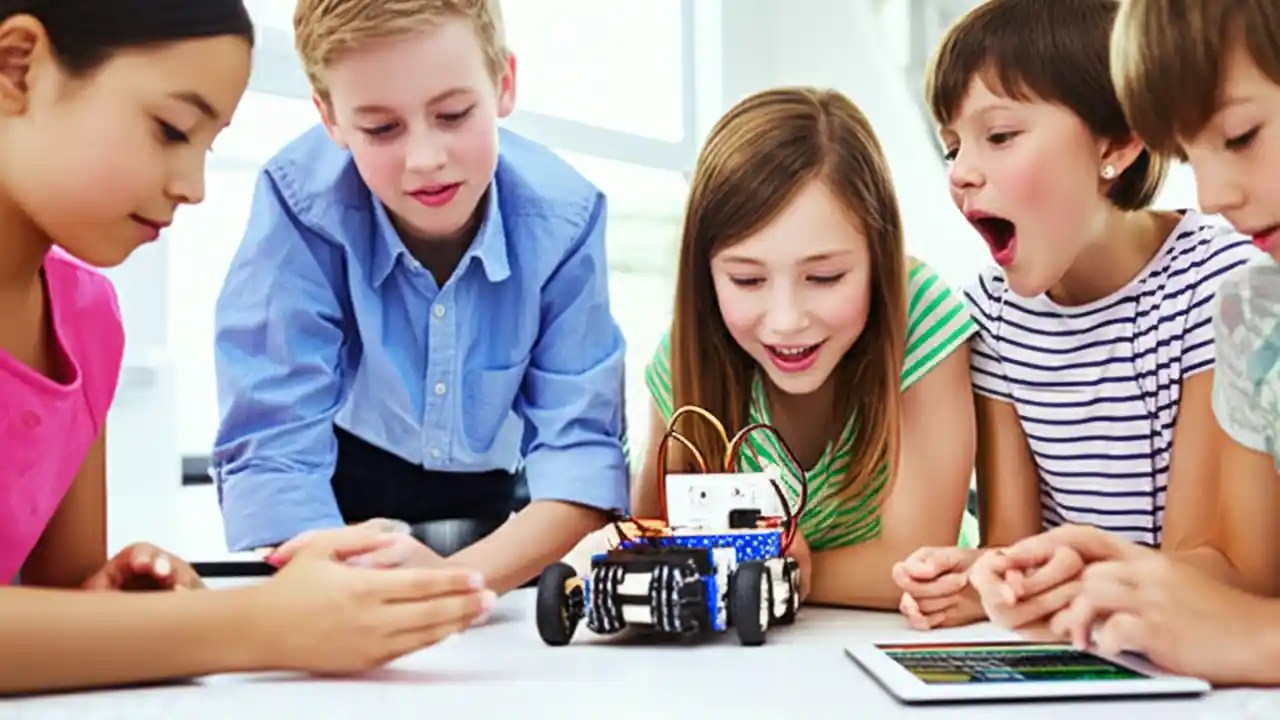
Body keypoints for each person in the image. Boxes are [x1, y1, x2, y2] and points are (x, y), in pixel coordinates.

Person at [0, 0, 491, 697]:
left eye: (206, 145)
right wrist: (251, 624)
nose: (193, 187)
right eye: (171, 129)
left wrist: (122, 603)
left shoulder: (87, 319)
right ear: (18, 65)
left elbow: (61, 604)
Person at [210, 0, 628, 594]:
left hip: (505, 516)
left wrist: (460, 580)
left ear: (504, 85)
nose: (426, 160)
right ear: (329, 119)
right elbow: (274, 446)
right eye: (381, 129)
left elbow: (580, 456)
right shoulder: (299, 205)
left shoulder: (566, 220)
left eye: (454, 114)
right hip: (334, 493)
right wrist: (331, 587)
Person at [893, 0, 1261, 631]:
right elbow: (1016, 541)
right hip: (1085, 635)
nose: (960, 174)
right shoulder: (992, 315)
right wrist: (984, 579)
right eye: (951, 147)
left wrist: (1047, 580)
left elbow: (1214, 566)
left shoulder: (1216, 284)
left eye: (1000, 136)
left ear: (1115, 142)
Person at [632, 87, 978, 608]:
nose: (787, 320)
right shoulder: (687, 352)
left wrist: (774, 570)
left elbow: (916, 561)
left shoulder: (920, 317)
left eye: (824, 276)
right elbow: (651, 542)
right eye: (747, 280)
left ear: (878, 259)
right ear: (706, 277)